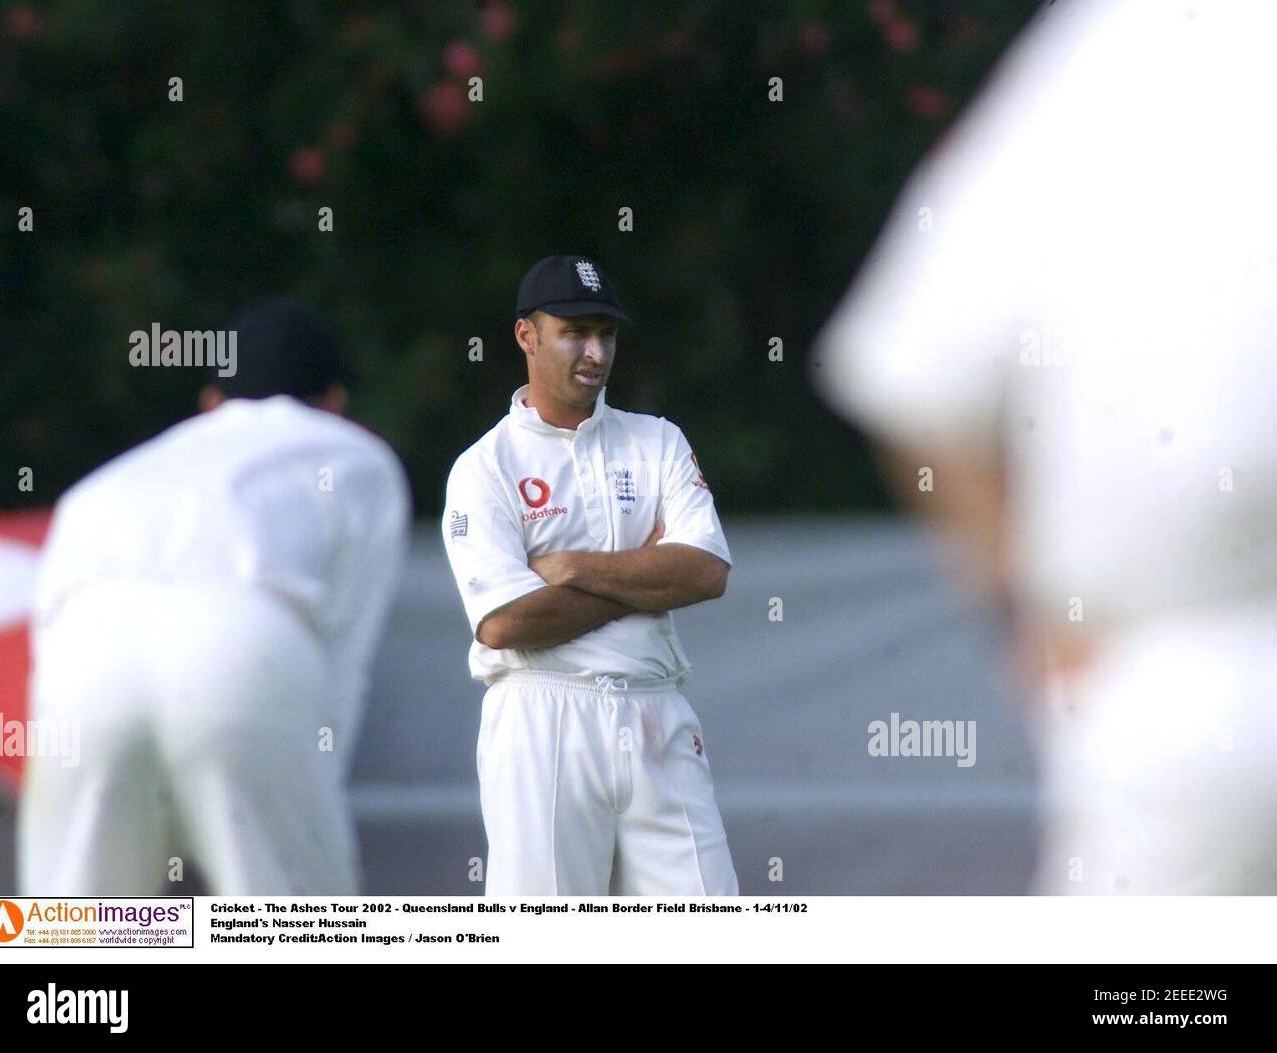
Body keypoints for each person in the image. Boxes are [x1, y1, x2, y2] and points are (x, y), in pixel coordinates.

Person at [815, 0, 1277, 893]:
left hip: (1169, 690)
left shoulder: (1105, 54)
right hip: (1173, 673)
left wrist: (1026, 612)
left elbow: (919, 378)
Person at [18, 300, 410, 895]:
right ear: (335, 402)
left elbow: (48, 644)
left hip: (85, 665)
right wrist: (304, 798)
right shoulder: (361, 459)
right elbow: (343, 662)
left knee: (76, 939)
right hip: (246, 646)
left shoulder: (109, 481)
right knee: (296, 934)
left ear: (211, 402)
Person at [442, 255, 738, 895]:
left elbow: (706, 572)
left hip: (656, 707)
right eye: (575, 331)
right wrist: (646, 576)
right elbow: (505, 623)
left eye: (605, 334)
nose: (595, 352)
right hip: (542, 715)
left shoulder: (656, 440)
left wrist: (573, 569)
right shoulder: (484, 467)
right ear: (527, 335)